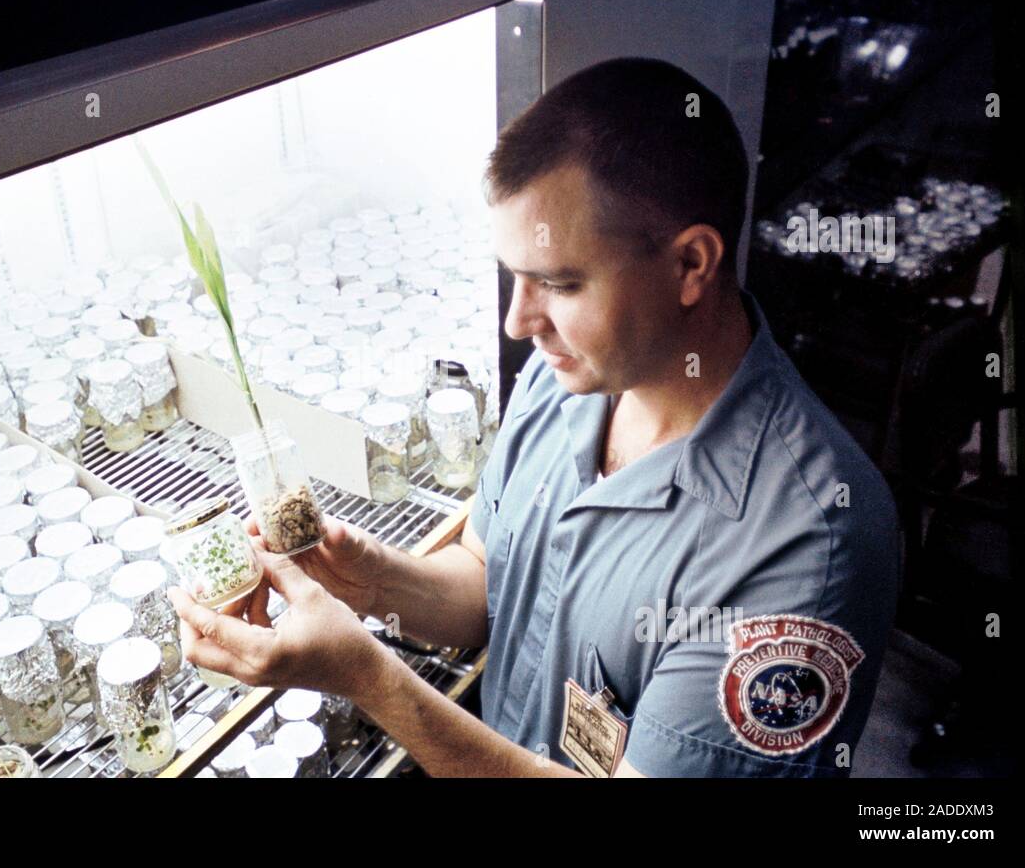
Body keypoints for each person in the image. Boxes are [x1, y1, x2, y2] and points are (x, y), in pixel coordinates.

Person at [168, 58, 901, 777]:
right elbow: (490, 579)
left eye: (558, 283)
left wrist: (368, 678)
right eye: (515, 278)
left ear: (691, 265)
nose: (520, 322)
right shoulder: (569, 383)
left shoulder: (808, 547)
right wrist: (372, 583)